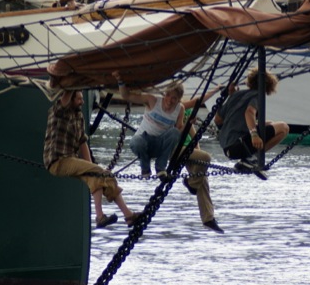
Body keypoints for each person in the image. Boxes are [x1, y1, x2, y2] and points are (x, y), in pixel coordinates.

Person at [43, 90, 141, 229]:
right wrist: (73, 85)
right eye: (79, 99)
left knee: (104, 176)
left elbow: (82, 142)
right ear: (70, 99)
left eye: (82, 99)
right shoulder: (58, 112)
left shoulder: (79, 116)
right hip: (57, 160)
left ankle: (128, 215)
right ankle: (99, 217)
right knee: (96, 173)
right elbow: (66, 96)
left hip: (71, 159)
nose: (82, 102)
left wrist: (91, 167)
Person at [215, 69, 289, 178]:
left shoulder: (235, 94)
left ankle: (247, 159)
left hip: (228, 149)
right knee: (283, 127)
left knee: (271, 123)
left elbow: (218, 120)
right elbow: (249, 112)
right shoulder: (258, 95)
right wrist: (254, 135)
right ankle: (253, 158)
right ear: (269, 86)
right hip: (240, 146)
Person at [113, 71, 184, 179]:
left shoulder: (180, 109)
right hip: (143, 141)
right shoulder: (152, 100)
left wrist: (190, 123)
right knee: (137, 141)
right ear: (164, 94)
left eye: (174, 98)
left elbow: (179, 129)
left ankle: (161, 167)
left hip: (160, 144)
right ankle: (145, 168)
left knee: (175, 132)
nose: (169, 100)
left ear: (179, 100)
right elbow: (126, 96)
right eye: (168, 95)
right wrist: (120, 81)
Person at [179, 85, 226, 234]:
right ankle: (190, 183)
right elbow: (198, 101)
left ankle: (208, 218)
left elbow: (191, 130)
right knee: (205, 157)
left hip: (188, 148)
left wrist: (197, 147)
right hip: (176, 148)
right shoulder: (175, 108)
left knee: (202, 178)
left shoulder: (184, 109)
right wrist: (215, 90)